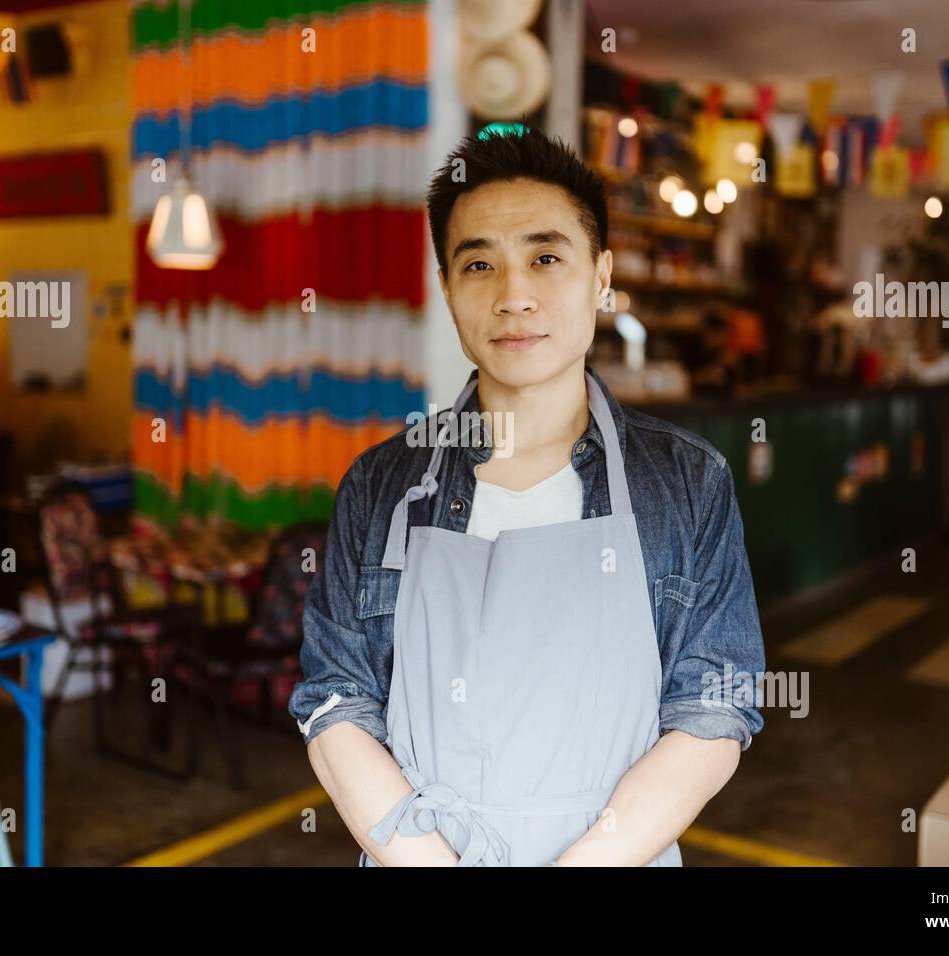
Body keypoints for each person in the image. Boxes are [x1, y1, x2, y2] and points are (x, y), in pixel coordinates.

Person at [288, 124, 765, 867]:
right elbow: (335, 701)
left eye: (546, 257)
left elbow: (713, 707)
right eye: (479, 264)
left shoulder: (685, 481)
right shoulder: (381, 485)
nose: (514, 296)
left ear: (600, 274)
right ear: (447, 286)